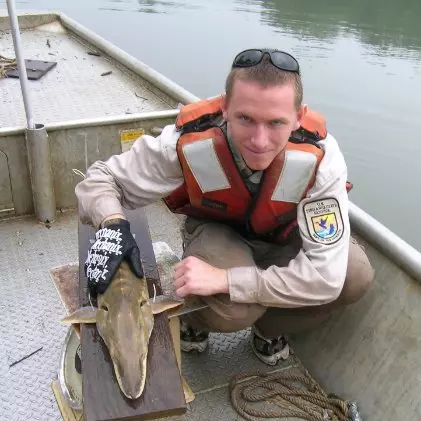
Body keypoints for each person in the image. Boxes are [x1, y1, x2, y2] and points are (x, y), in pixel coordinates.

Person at [75, 48, 374, 366]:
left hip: (281, 235)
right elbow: (101, 180)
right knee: (233, 310)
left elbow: (326, 281)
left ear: (299, 117)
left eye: (276, 122)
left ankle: (269, 326)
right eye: (246, 119)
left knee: (353, 275)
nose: (260, 140)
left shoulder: (322, 158)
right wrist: (113, 225)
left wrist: (227, 281)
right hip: (218, 234)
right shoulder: (189, 140)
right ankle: (195, 320)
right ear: (226, 108)